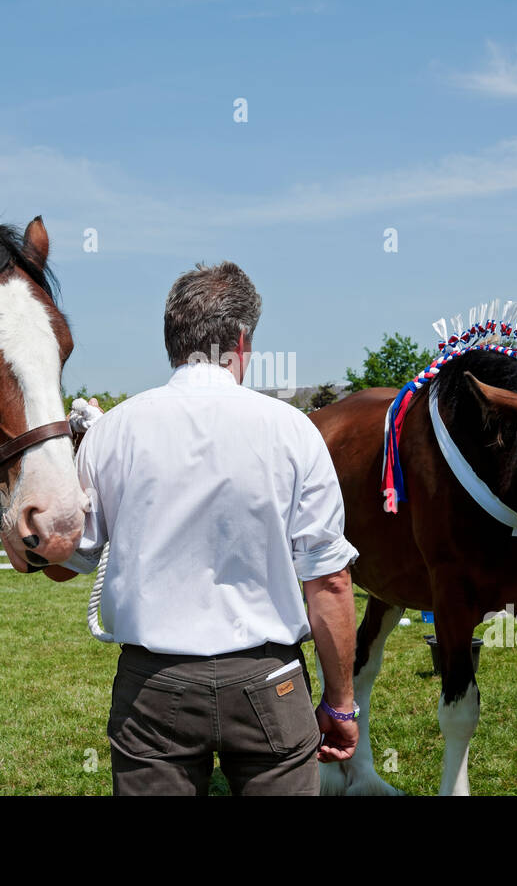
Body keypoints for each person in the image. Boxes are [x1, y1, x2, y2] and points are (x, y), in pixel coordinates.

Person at [44, 262, 360, 795]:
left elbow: (63, 565)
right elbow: (329, 583)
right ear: (242, 341)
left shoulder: (112, 431)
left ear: (173, 340)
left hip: (153, 685)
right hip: (269, 681)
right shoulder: (293, 431)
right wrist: (340, 702)